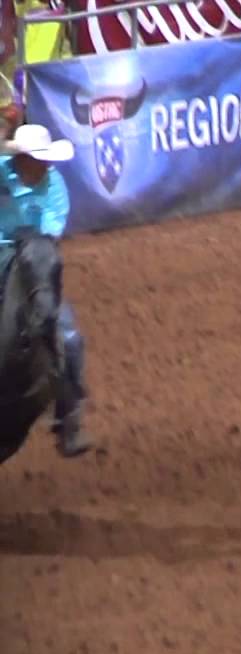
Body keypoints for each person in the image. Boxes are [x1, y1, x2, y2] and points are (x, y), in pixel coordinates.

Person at [0, 123, 93, 457]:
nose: (44, 165)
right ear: (22, 158)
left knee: (70, 338)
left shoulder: (55, 187)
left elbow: (46, 240)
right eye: (37, 158)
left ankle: (69, 420)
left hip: (33, 263)